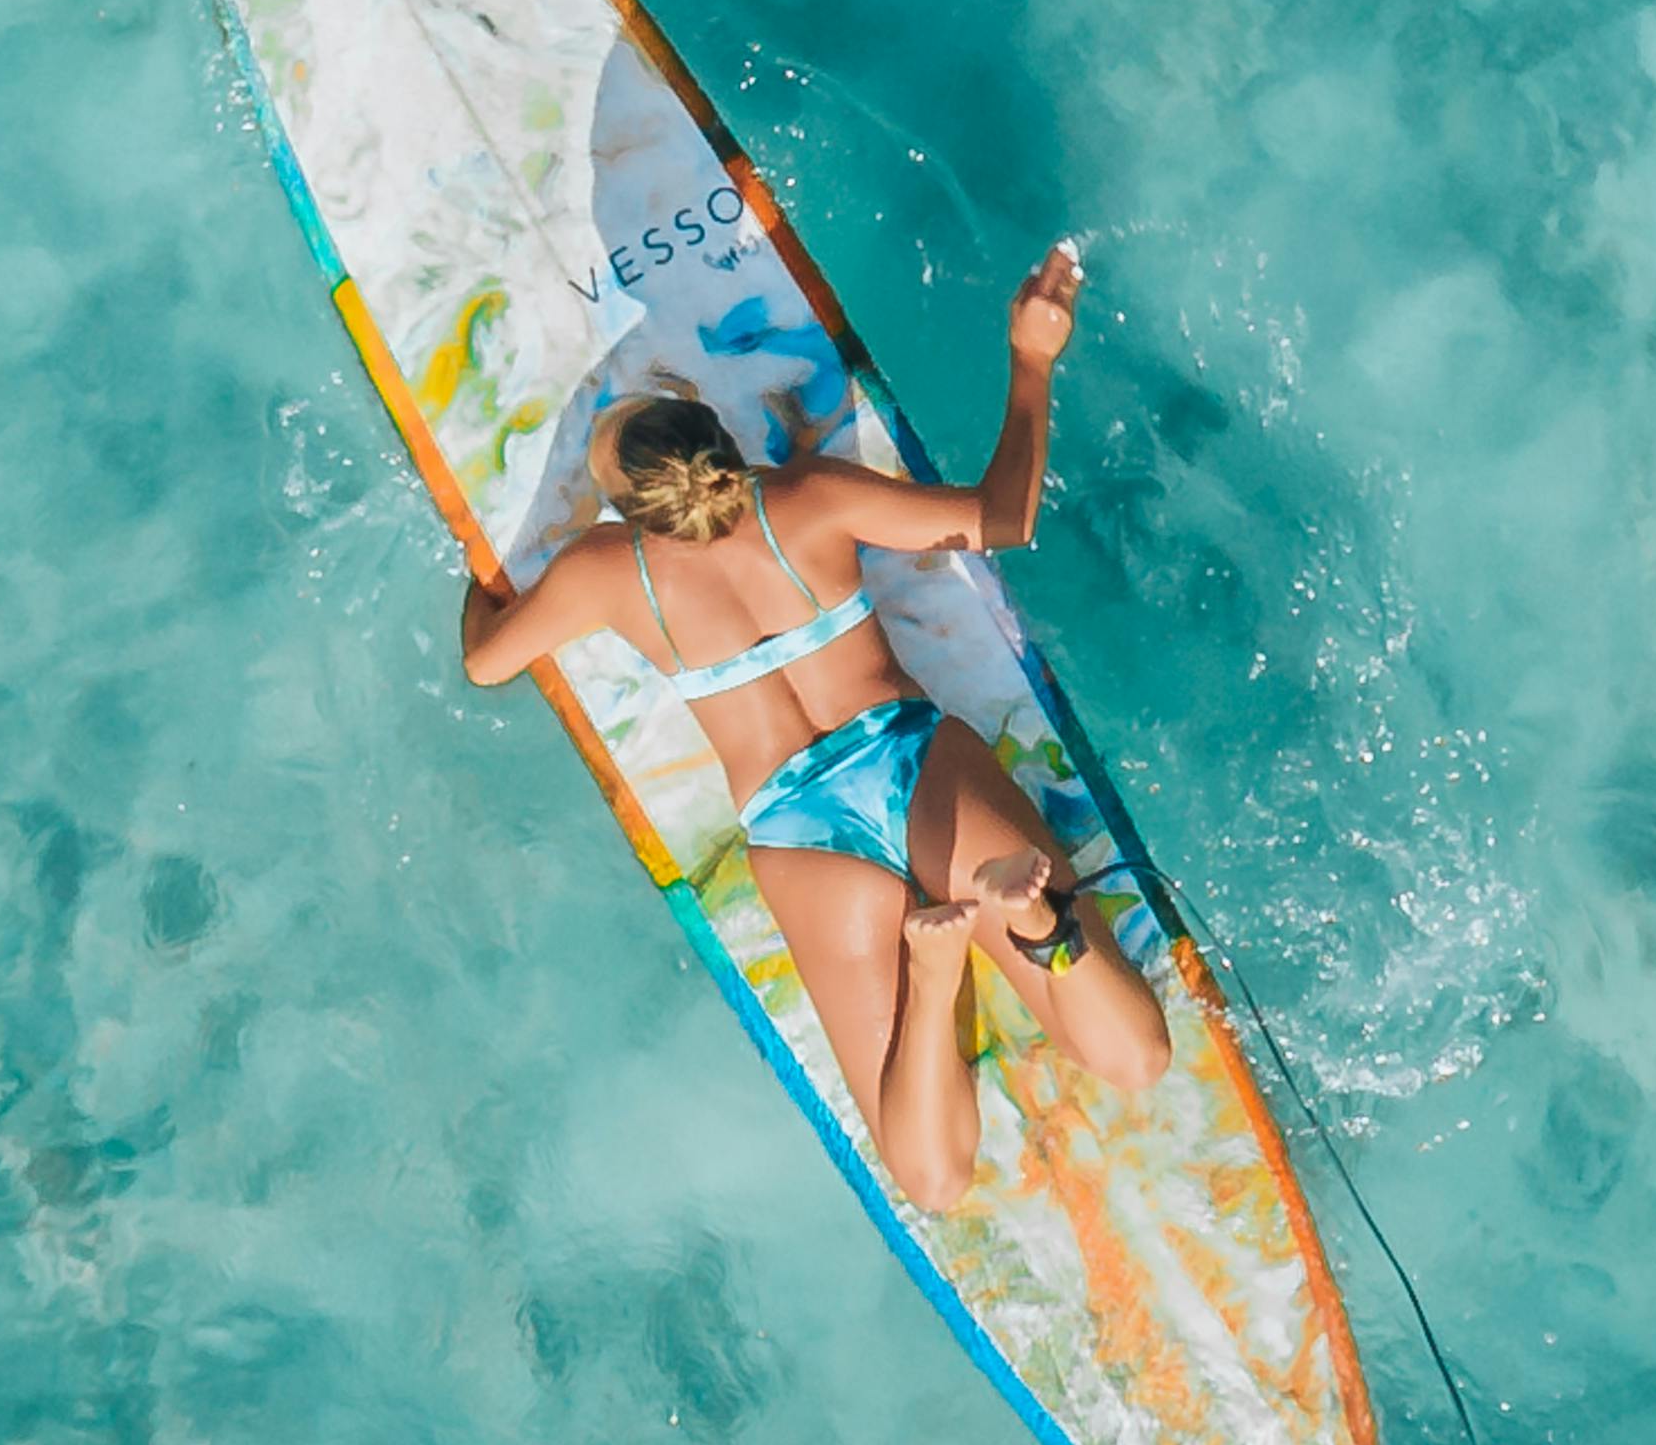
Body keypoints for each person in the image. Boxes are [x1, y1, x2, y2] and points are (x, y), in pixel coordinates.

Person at [459, 245, 1170, 1211]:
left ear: (634, 513)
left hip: (800, 832)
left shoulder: (600, 571)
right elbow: (1003, 517)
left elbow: (488, 662)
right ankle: (1033, 925)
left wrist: (481, 577)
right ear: (720, 446)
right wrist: (1032, 358)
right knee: (1135, 1060)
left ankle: (934, 971)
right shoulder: (807, 497)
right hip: (911, 760)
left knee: (935, 1181)